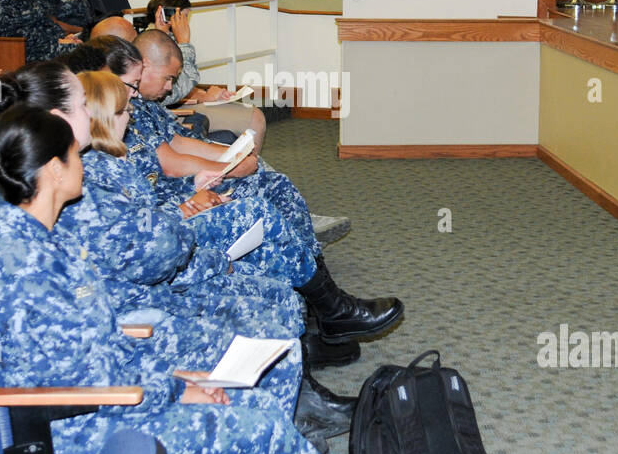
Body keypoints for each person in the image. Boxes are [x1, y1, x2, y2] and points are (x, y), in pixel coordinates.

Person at [0, 104, 456, 454]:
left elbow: (99, 350)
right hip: (86, 436)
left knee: (252, 390)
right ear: (52, 170)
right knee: (256, 421)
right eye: (74, 155)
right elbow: (74, 388)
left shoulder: (41, 243)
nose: (83, 164)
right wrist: (179, 389)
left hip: (113, 397)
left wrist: (186, 380)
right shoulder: (22, 268)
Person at [101, 33, 402, 350]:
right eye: (167, 79)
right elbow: (170, 165)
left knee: (276, 186)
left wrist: (231, 157)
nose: (167, 88)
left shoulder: (140, 107)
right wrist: (221, 171)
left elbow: (179, 143)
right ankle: (329, 308)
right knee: (257, 210)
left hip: (179, 196)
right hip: (173, 204)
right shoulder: (113, 117)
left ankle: (322, 306)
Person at [138, 0, 266, 149]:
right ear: (165, 15)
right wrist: (184, 43)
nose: (184, 23)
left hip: (181, 104)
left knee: (254, 116)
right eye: (182, 17)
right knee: (255, 118)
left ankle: (249, 167)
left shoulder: (169, 40)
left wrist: (206, 94)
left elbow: (178, 84)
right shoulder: (148, 46)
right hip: (168, 114)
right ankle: (250, 168)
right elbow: (171, 91)